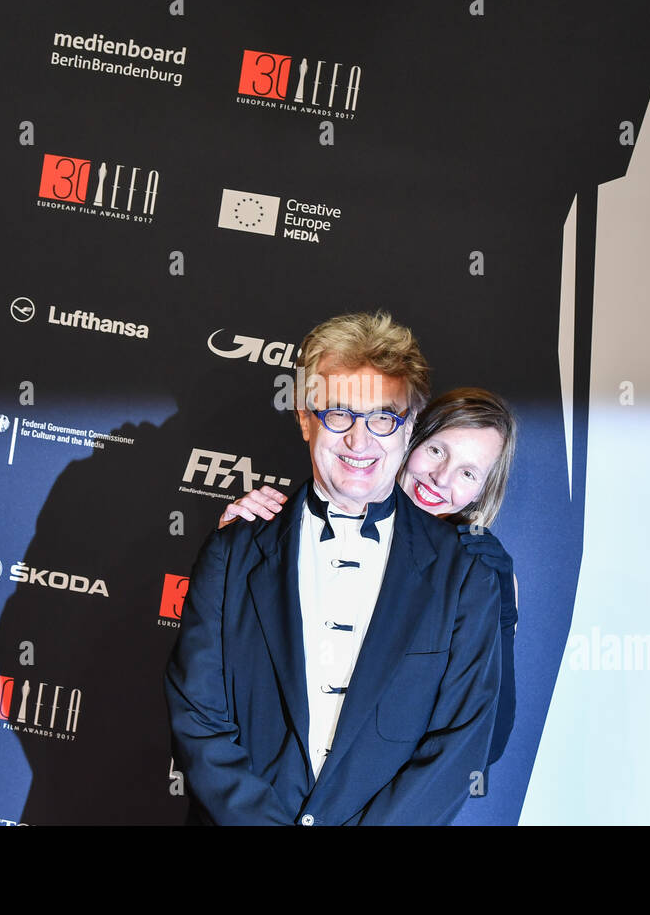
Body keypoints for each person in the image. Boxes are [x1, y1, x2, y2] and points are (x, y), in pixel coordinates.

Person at [164, 311, 502, 824]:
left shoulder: (467, 578)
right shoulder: (233, 552)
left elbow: (458, 749)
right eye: (338, 414)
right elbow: (198, 719)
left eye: (382, 418)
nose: (359, 441)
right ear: (304, 417)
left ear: (408, 426)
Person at [221, 388, 519, 769]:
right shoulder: (297, 530)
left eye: (467, 472)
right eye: (436, 451)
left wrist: (503, 618)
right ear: (407, 439)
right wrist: (234, 553)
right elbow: (229, 689)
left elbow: (485, 744)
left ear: (482, 491)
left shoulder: (478, 575)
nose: (441, 478)